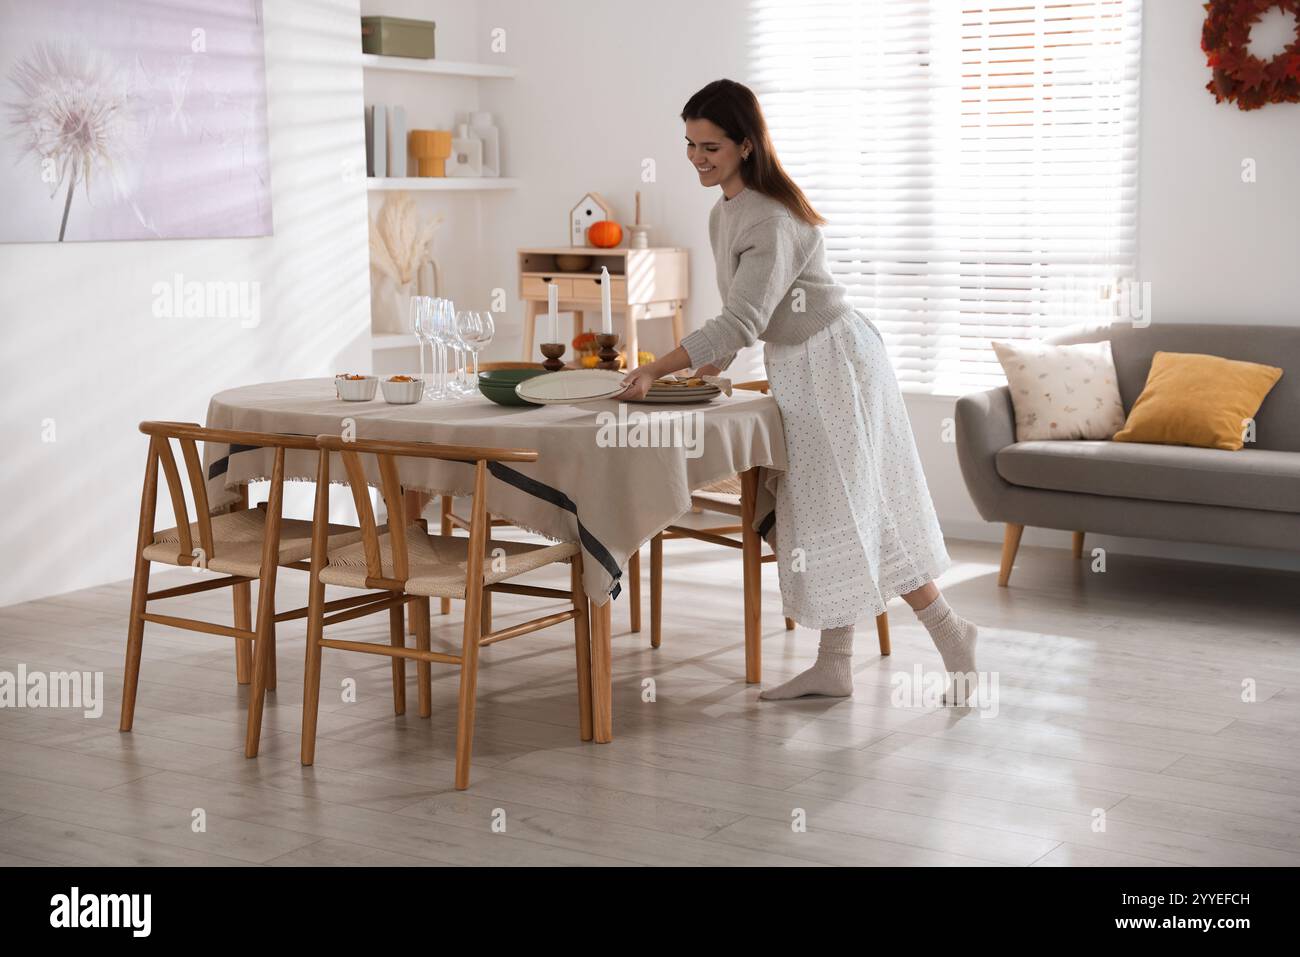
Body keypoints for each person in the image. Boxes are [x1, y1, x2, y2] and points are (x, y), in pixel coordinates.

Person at [616, 79, 980, 702]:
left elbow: (741, 320)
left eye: (710, 146)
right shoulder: (724, 211)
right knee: (820, 509)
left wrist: (658, 366)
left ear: (747, 146)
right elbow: (743, 311)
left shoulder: (770, 216)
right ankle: (836, 663)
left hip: (832, 362)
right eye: (689, 144)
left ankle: (951, 635)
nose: (697, 158)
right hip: (799, 360)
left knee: (854, 508)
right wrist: (707, 364)